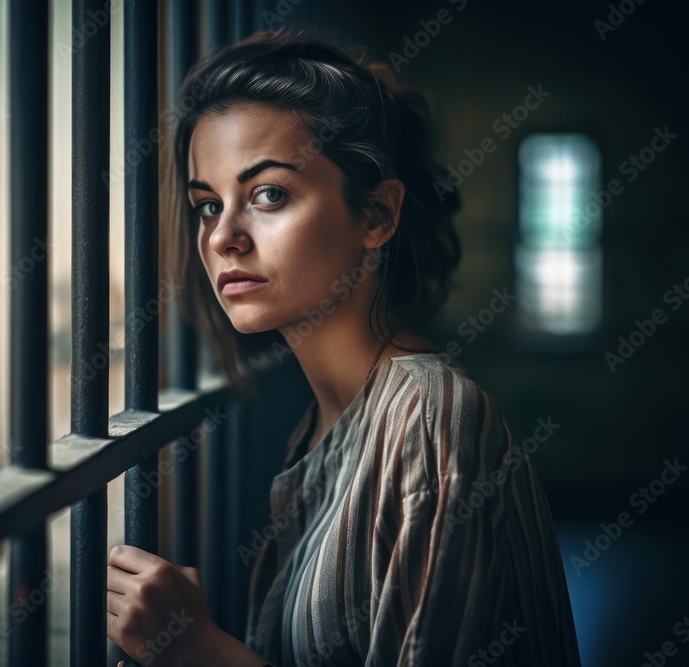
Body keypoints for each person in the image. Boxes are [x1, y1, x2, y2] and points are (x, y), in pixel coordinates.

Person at [106, 28, 582, 666]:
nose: (223, 237)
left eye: (269, 194)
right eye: (208, 205)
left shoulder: (430, 419)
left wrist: (202, 652)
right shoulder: (321, 424)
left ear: (376, 216)